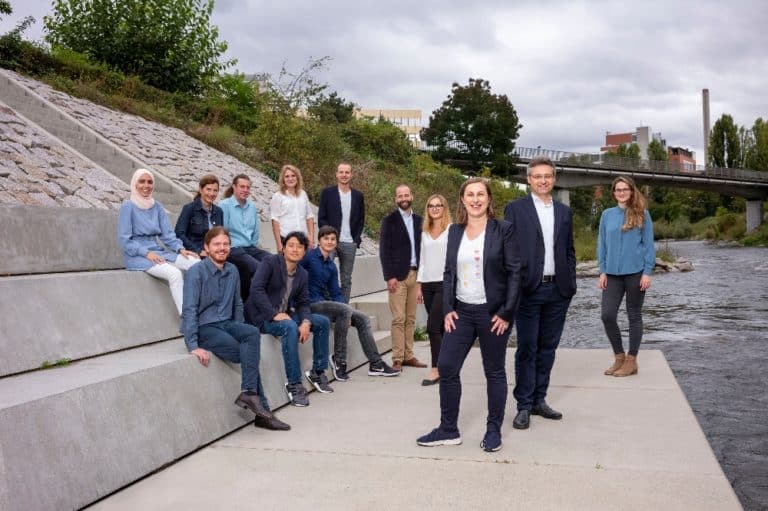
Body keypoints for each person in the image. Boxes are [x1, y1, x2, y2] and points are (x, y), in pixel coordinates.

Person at [417, 178, 521, 453]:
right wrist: (449, 308)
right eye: (470, 195)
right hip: (462, 311)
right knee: (448, 366)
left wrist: (506, 312)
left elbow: (514, 273)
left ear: (489, 199)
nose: (475, 199)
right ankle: (448, 429)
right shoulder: (454, 232)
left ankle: (493, 430)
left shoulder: (504, 230)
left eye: (481, 194)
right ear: (462, 200)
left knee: (494, 371)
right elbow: (449, 273)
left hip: (493, 314)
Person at [181, 227, 290, 431]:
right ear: (206, 248)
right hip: (205, 327)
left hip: (227, 323)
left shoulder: (232, 270)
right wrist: (192, 344)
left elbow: (238, 304)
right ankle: (263, 412)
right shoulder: (196, 271)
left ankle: (249, 393)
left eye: (225, 244)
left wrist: (239, 326)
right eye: (217, 244)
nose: (222, 248)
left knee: (250, 333)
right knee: (247, 353)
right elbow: (189, 308)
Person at [504, 157, 577, 430]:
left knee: (548, 348)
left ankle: (539, 400)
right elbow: (508, 250)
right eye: (538, 176)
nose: (543, 180)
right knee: (527, 348)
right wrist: (514, 284)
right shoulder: (515, 209)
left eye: (547, 176)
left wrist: (570, 283)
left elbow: (569, 251)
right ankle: (523, 405)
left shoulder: (564, 212)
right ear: (529, 179)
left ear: (554, 179)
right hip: (528, 290)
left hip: (558, 290)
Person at [245, 231, 333, 407]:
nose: (295, 249)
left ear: (304, 251)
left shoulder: (302, 274)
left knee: (322, 322)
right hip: (262, 317)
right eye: (291, 245)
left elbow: (303, 302)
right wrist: (272, 314)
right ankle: (294, 383)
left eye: (299, 247)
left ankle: (317, 371)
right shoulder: (269, 263)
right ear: (283, 248)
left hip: (286, 313)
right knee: (290, 327)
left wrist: (306, 321)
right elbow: (256, 289)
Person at [301, 225, 400, 380]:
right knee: (344, 311)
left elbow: (336, 293)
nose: (329, 241)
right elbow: (292, 276)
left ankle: (376, 363)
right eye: (326, 238)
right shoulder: (309, 257)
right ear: (319, 241)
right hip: (310, 304)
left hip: (327, 305)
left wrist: (344, 308)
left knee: (362, 318)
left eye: (333, 239)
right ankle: (339, 361)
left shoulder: (331, 266)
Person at [118, 168, 199, 315]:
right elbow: (125, 241)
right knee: (174, 274)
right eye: (141, 181)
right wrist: (146, 253)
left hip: (158, 252)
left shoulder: (157, 207)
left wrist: (180, 249)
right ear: (134, 184)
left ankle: (205, 311)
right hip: (138, 256)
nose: (146, 185)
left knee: (196, 264)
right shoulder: (127, 207)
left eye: (149, 182)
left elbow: (167, 235)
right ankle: (188, 319)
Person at [598, 176, 655, 377]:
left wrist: (647, 272)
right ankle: (619, 357)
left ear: (631, 191)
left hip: (636, 273)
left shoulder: (642, 214)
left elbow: (648, 246)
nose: (621, 192)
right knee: (607, 315)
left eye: (625, 189)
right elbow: (602, 244)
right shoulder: (606, 215)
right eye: (617, 189)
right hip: (612, 274)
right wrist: (602, 270)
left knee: (634, 315)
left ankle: (631, 361)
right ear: (613, 193)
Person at [379, 184, 427, 371]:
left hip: (416, 274)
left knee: (411, 318)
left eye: (406, 194)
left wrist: (423, 279)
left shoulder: (420, 220)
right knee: (398, 318)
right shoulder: (389, 221)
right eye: (400, 195)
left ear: (411, 196)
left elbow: (424, 249)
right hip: (397, 277)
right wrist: (389, 276)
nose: (404, 198)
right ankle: (397, 357)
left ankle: (409, 355)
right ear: (396, 199)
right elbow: (384, 251)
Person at [416, 194, 452, 386]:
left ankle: (436, 369)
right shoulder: (425, 231)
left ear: (444, 208)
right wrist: (419, 286)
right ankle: (448, 366)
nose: (435, 208)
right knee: (439, 328)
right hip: (428, 284)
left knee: (432, 327)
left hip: (444, 284)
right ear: (428, 209)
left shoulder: (451, 230)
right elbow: (423, 260)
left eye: (439, 205)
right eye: (431, 206)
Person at [317, 162, 365, 303]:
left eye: (347, 172)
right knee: (325, 274)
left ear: (351, 175)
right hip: (330, 242)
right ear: (336, 174)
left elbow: (361, 219)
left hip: (350, 243)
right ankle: (328, 306)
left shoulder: (358, 196)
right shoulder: (327, 193)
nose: (344, 175)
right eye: (341, 172)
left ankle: (344, 311)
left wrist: (355, 239)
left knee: (346, 279)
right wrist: (327, 237)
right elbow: (322, 217)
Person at [219, 174, 269, 300]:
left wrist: (252, 244)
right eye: (242, 187)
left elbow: (255, 231)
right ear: (234, 187)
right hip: (234, 248)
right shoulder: (224, 205)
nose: (245, 190)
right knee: (258, 268)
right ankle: (257, 301)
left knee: (275, 261)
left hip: (250, 247)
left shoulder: (251, 206)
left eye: (248, 187)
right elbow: (222, 230)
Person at [175, 174, 224, 257]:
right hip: (194, 253)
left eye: (215, 190)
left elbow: (220, 236)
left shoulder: (219, 211)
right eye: (208, 189)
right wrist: (198, 251)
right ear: (201, 190)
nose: (212, 193)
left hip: (214, 253)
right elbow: (179, 234)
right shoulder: (189, 208)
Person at [270, 164, 315, 253]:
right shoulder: (278, 196)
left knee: (304, 266)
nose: (290, 179)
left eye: (293, 176)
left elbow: (309, 216)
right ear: (283, 179)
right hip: (286, 240)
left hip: (303, 240)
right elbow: (275, 221)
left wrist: (311, 238)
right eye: (287, 176)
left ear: (297, 177)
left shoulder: (303, 194)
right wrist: (279, 244)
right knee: (288, 267)